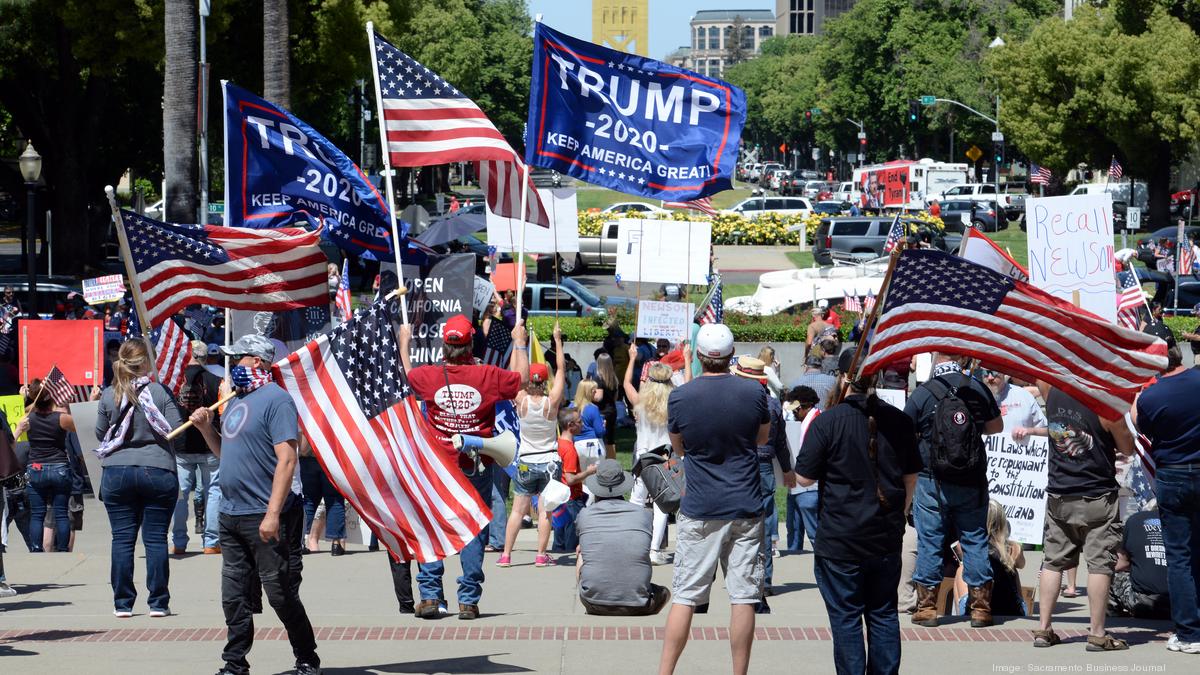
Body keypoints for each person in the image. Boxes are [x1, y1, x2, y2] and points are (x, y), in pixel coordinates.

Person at [189, 334, 320, 675]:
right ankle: (235, 663)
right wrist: (205, 430)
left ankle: (307, 656)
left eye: (240, 359)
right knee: (234, 595)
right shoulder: (234, 400)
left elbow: (287, 460)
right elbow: (225, 453)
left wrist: (272, 514)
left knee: (280, 593)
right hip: (231, 514)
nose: (234, 366)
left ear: (259, 361)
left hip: (262, 515)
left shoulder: (277, 400)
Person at [796, 348, 921, 675]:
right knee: (882, 614)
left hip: (841, 540)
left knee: (847, 619)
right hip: (882, 536)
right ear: (877, 378)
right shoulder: (898, 420)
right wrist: (900, 513)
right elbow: (912, 478)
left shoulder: (829, 421)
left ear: (843, 377)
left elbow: (803, 476)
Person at [658, 323, 769, 675]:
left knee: (685, 595)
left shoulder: (681, 396)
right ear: (731, 356)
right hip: (745, 503)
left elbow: (679, 448)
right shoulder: (753, 393)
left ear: (701, 356)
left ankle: (665, 671)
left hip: (701, 505)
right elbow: (762, 439)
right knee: (744, 596)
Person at [399, 314, 526, 621]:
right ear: (471, 345)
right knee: (472, 531)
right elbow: (519, 378)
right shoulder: (487, 375)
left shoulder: (429, 376)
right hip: (475, 465)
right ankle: (468, 599)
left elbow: (407, 376)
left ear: (445, 345)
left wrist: (405, 342)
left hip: (437, 466)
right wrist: (519, 343)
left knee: (432, 526)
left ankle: (429, 596)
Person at [904, 353, 1003, 628]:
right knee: (975, 540)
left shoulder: (924, 392)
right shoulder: (976, 388)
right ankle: (981, 609)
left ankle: (926, 609)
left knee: (930, 541)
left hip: (930, 479)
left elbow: (904, 430)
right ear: (960, 361)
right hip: (971, 480)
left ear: (937, 362)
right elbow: (997, 426)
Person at [1033, 384, 1133, 652]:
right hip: (1096, 494)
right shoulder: (1105, 401)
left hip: (1059, 493)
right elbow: (1127, 447)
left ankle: (1043, 629)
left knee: (1053, 562)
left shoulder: (1051, 390)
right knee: (1100, 564)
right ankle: (1098, 633)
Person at [95, 339, 183, 619]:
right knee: (155, 539)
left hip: (117, 470)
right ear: (145, 362)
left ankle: (122, 603)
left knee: (122, 539)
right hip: (157, 468)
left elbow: (100, 432)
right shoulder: (159, 392)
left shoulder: (110, 394)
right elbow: (177, 429)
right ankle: (158, 603)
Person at [1133, 346, 1200, 653]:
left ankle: (1188, 632)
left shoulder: (1151, 397)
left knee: (1179, 557)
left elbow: (1142, 428)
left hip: (1173, 474)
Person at [499, 324, 565, 568]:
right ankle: (540, 555)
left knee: (517, 510)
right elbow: (561, 369)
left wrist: (521, 345)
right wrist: (557, 341)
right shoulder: (552, 402)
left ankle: (506, 555)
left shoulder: (521, 399)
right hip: (548, 461)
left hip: (526, 461)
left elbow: (515, 375)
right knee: (545, 512)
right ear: (545, 381)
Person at [733, 356, 796, 607]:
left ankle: (742, 577)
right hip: (764, 465)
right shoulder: (771, 403)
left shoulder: (735, 402)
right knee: (766, 522)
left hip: (740, 463)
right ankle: (765, 580)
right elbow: (779, 440)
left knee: (737, 521)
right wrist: (788, 469)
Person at [576, 459, 670, 616]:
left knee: (580, 550)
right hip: (639, 604)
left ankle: (594, 598)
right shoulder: (644, 515)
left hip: (592, 602)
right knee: (664, 592)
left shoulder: (584, 515)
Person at [624, 343, 689, 566]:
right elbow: (688, 385)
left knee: (636, 500)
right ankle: (653, 549)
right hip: (665, 458)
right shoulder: (675, 402)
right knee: (663, 505)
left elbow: (626, 384)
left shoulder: (641, 402)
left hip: (643, 458)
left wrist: (632, 358)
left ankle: (633, 545)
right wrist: (688, 360)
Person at [172, 340, 224, 555]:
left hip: (181, 445)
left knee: (180, 495)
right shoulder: (217, 381)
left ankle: (179, 542)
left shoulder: (173, 381)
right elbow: (224, 413)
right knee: (214, 491)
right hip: (209, 443)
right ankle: (211, 542)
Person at [16, 380, 78, 552]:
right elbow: (79, 425)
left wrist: (25, 399)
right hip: (59, 467)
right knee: (61, 512)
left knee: (37, 514)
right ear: (52, 399)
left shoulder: (27, 418)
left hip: (36, 467)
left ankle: (36, 549)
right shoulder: (62, 419)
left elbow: (23, 412)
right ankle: (63, 549)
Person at [952, 500, 1027, 618]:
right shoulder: (1012, 548)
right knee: (1012, 568)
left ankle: (963, 616)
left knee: (961, 570)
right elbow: (1022, 564)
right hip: (1011, 608)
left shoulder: (972, 546)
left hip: (980, 605)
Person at [1106, 508, 1170, 620]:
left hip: (1143, 602)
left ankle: (1112, 610)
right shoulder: (1188, 521)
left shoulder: (1135, 520)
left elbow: (1122, 563)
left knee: (1107, 571)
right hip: (1181, 603)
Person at [552, 408, 596, 553]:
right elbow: (570, 479)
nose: (582, 424)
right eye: (579, 422)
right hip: (571, 500)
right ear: (571, 425)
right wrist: (588, 472)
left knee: (559, 542)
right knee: (571, 545)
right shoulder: (569, 450)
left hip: (560, 499)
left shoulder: (558, 444)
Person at [784, 386, 820, 553]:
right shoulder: (808, 421)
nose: (794, 413)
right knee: (794, 529)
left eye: (796, 409)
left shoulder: (817, 423)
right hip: (798, 485)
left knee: (814, 534)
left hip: (810, 487)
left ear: (802, 407)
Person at [298, 434, 345, 556]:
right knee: (334, 500)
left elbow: (303, 448)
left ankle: (301, 540)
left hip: (308, 460)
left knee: (308, 501)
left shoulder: (307, 415)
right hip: (331, 459)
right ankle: (336, 543)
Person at [981, 367, 1047, 443]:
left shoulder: (1024, 396)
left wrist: (1029, 431)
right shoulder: (975, 396)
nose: (990, 378)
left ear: (1003, 372)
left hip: (1019, 452)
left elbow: (1046, 431)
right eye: (986, 373)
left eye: (995, 373)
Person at [572, 379, 607, 461]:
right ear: (588, 392)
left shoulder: (571, 407)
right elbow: (599, 432)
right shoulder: (593, 408)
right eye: (594, 391)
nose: (595, 393)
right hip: (594, 446)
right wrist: (604, 426)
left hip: (576, 445)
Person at [593, 353, 620, 459]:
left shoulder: (598, 378)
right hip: (612, 410)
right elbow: (615, 397)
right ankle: (612, 461)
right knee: (610, 439)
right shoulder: (614, 378)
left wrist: (588, 395)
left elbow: (598, 397)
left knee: (601, 438)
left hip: (602, 412)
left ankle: (602, 460)